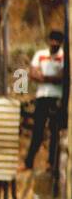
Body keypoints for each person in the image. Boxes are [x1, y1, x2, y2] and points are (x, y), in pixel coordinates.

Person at [24, 28, 66, 173]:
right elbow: (32, 74)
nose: (54, 43)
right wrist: (51, 78)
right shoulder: (40, 54)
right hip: (42, 97)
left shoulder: (64, 56)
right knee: (38, 130)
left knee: (55, 131)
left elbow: (62, 77)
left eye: (57, 41)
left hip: (56, 98)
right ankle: (28, 162)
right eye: (52, 40)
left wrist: (43, 77)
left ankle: (51, 164)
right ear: (49, 41)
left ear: (61, 42)